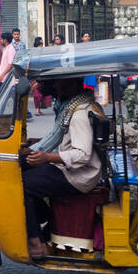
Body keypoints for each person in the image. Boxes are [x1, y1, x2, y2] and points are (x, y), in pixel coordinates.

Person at [22, 76, 103, 261]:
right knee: (26, 171)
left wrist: (46, 157)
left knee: (21, 184)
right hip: (75, 170)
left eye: (59, 82)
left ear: (73, 83)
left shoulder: (79, 114)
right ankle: (43, 220)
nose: (56, 86)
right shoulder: (78, 105)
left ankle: (36, 242)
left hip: (79, 176)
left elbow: (82, 154)